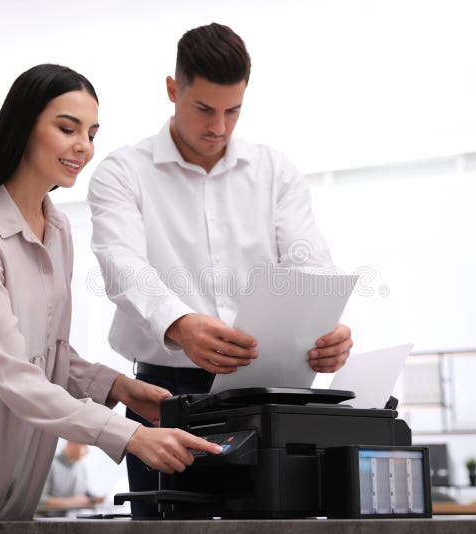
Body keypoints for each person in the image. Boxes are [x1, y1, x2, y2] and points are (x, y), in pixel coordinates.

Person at [0, 64, 220, 534]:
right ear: (23, 127)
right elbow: (13, 373)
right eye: (67, 129)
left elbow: (48, 352)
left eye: (92, 134)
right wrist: (128, 435)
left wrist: (118, 388)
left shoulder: (59, 229)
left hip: (15, 457)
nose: (83, 146)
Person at [87, 23, 353, 517]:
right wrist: (179, 323)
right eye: (204, 109)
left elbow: (309, 263)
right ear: (173, 89)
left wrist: (324, 326)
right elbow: (121, 263)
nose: (219, 126)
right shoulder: (123, 172)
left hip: (267, 393)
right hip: (166, 396)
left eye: (233, 111)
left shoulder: (275, 171)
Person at [39, 441, 103, 510]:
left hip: (76, 515)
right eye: (85, 446)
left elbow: (85, 492)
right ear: (71, 443)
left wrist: (95, 499)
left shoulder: (81, 467)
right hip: (50, 515)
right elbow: (40, 500)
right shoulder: (48, 464)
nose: (88, 451)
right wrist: (73, 502)